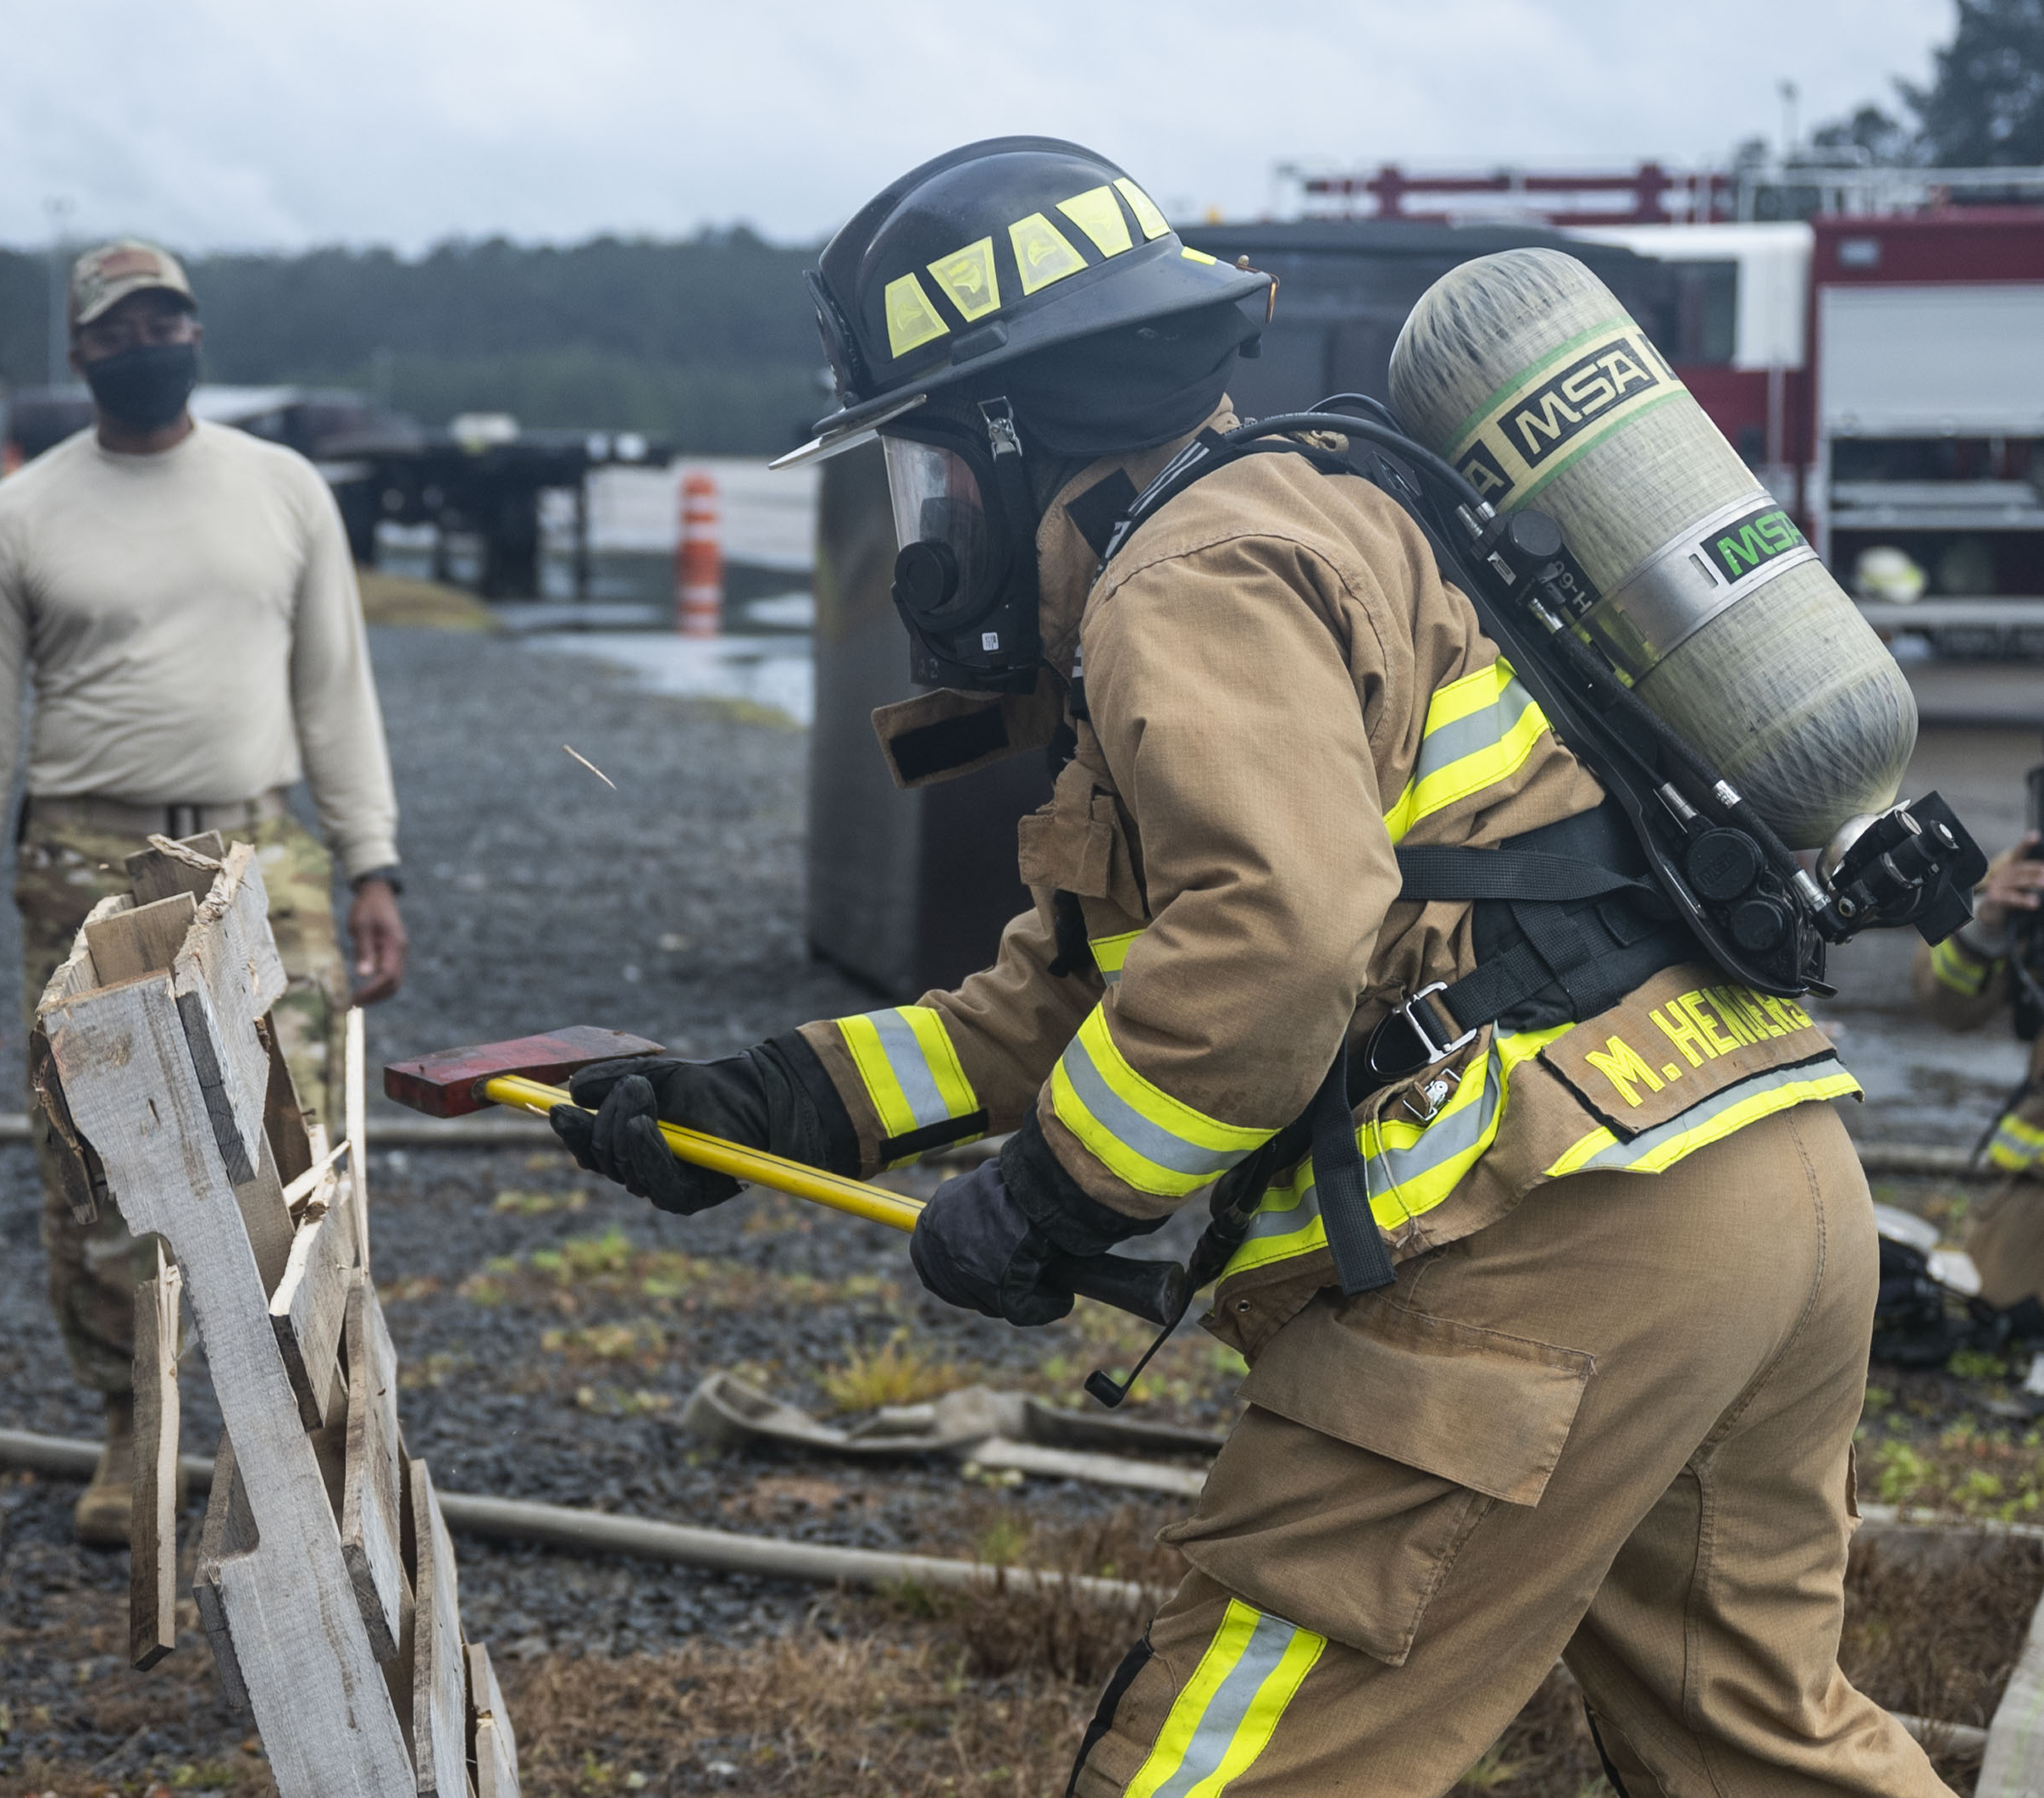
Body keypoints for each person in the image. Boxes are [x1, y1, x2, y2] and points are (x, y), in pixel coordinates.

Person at [556, 139, 1942, 1794]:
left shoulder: (1188, 579)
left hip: (1551, 1260)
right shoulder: (1332, 506)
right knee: (1760, 1743)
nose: (928, 522)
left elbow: (1279, 935)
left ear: (1012, 429)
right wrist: (784, 1097)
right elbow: (1096, 981)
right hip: (1760, 1182)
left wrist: (1060, 1198)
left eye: (925, 462)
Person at [0, 238, 407, 1546]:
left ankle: (302, 1437)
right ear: (80, 352)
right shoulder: (17, 520)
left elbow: (334, 693)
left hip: (261, 857)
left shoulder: (283, 489)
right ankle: (132, 1433)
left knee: (295, 1164)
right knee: (101, 1172)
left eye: (168, 319)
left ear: (196, 332)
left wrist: (371, 862)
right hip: (84, 862)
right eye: (120, 327)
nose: (149, 341)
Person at [1917, 827, 2044, 1304]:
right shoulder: (2031, 865)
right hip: (2032, 1206)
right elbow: (1946, 1002)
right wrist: (1988, 925)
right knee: (1992, 1320)